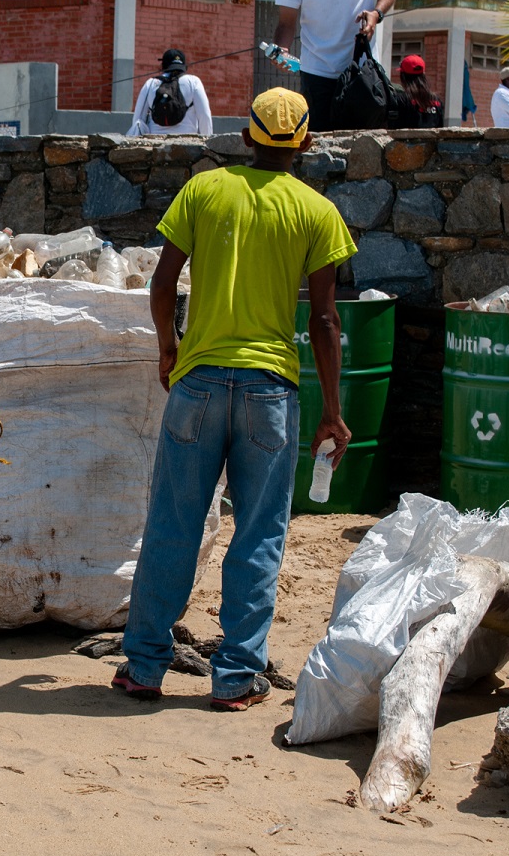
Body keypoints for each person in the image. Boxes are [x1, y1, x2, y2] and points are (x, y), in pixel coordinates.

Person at [110, 88, 355, 710]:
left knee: (172, 525)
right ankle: (237, 677)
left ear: (244, 137)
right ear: (303, 144)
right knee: (259, 533)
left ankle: (142, 668)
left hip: (196, 384)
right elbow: (325, 321)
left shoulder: (204, 190)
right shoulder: (317, 211)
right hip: (270, 391)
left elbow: (163, 284)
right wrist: (331, 410)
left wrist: (169, 350)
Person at [273, 0, 396, 133]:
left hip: (361, 69)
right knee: (318, 144)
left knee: (364, 142)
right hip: (317, 71)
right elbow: (286, 22)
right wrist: (281, 50)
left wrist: (376, 14)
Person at [127, 49, 214, 136]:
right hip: (187, 142)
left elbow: (138, 119)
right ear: (183, 65)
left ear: (163, 65)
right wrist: (207, 141)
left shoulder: (150, 83)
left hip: (155, 142)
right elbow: (204, 115)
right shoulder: (194, 81)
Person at [396, 54, 442, 127]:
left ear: (403, 76)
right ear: (423, 75)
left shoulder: (400, 100)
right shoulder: (437, 100)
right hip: (431, 138)